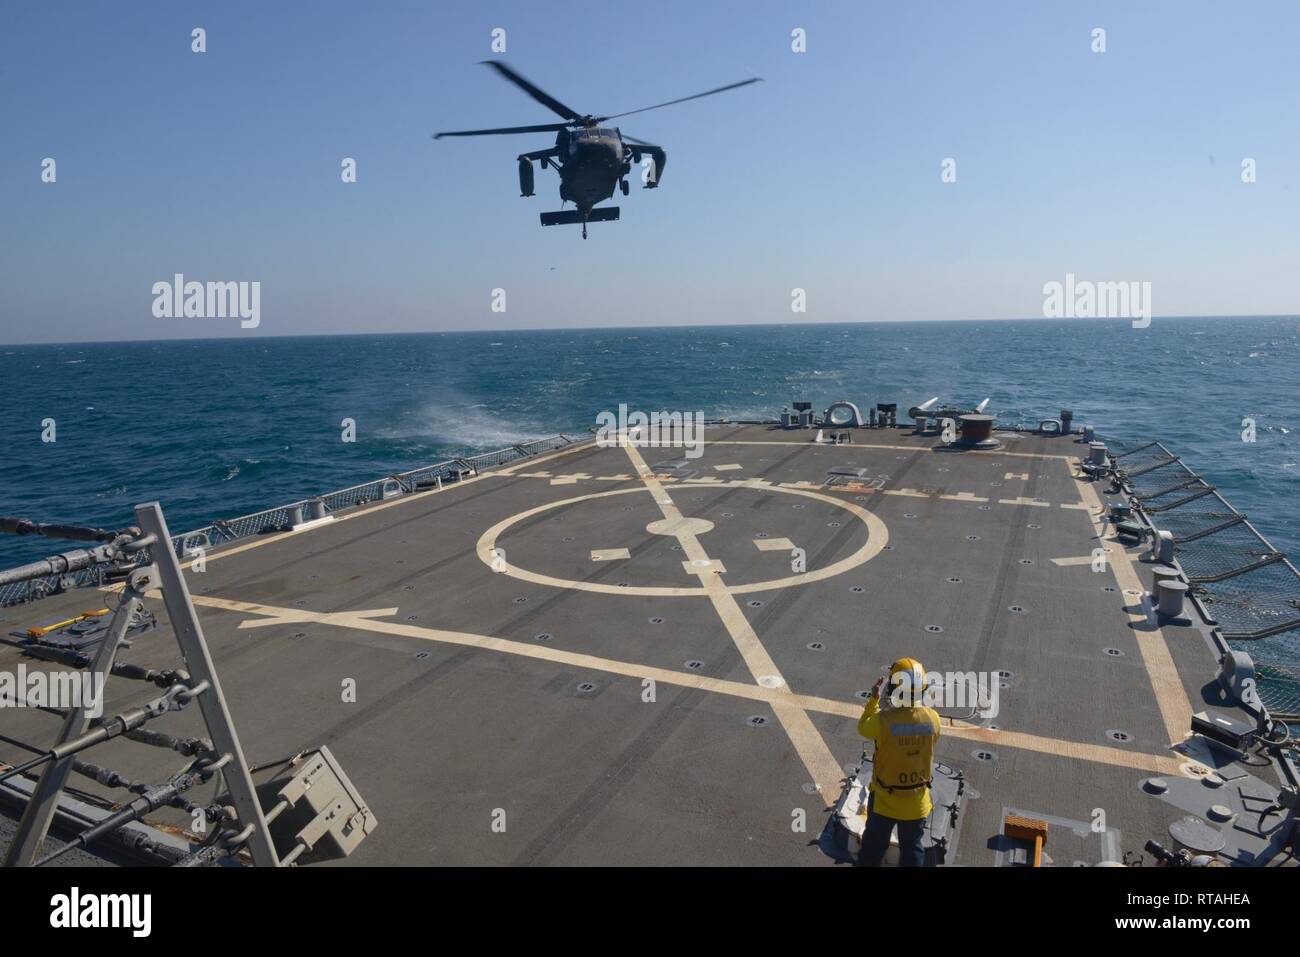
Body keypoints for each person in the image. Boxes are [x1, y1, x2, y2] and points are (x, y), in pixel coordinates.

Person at [855, 657, 941, 867]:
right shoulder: (934, 719)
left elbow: (863, 728)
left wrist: (874, 700)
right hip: (916, 802)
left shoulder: (882, 721)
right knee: (912, 849)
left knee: (873, 847)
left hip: (885, 801)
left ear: (894, 688)